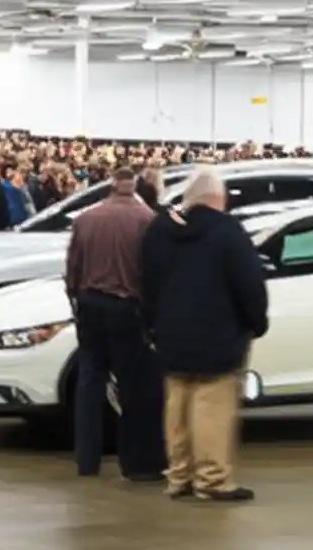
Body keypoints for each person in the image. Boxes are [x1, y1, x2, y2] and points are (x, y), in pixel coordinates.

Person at [141, 166, 268, 502]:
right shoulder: (228, 233)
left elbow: (145, 282)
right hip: (218, 333)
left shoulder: (158, 231)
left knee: (177, 405)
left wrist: (150, 324)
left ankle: (179, 475)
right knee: (211, 405)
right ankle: (211, 480)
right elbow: (249, 284)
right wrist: (257, 322)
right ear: (218, 199)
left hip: (169, 332)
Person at [64, 167, 165, 481]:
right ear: (133, 186)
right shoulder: (146, 220)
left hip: (90, 306)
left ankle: (86, 460)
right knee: (131, 386)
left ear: (111, 185)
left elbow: (72, 270)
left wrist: (76, 300)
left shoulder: (86, 219)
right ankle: (132, 460)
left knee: (89, 383)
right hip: (126, 308)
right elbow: (151, 273)